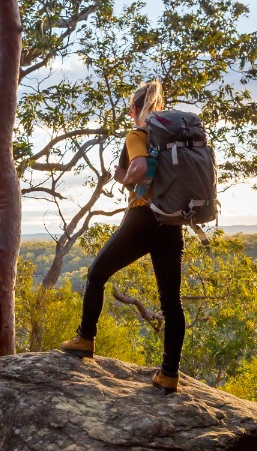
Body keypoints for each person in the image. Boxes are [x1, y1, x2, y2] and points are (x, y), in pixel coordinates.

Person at [61, 80, 185, 395]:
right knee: (172, 304)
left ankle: (85, 338)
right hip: (171, 224)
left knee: (96, 274)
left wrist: (124, 178)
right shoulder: (171, 139)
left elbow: (141, 169)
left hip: (142, 219)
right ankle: (169, 374)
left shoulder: (137, 135)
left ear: (134, 110)